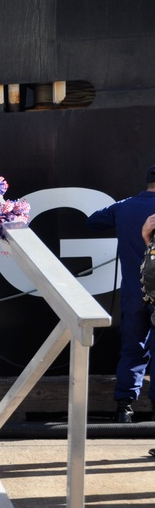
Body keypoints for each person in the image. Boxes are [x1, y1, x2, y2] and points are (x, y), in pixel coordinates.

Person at [86, 165, 155, 423]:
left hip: (133, 292)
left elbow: (92, 222)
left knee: (132, 348)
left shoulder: (125, 206)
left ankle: (124, 408)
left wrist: (123, 211)